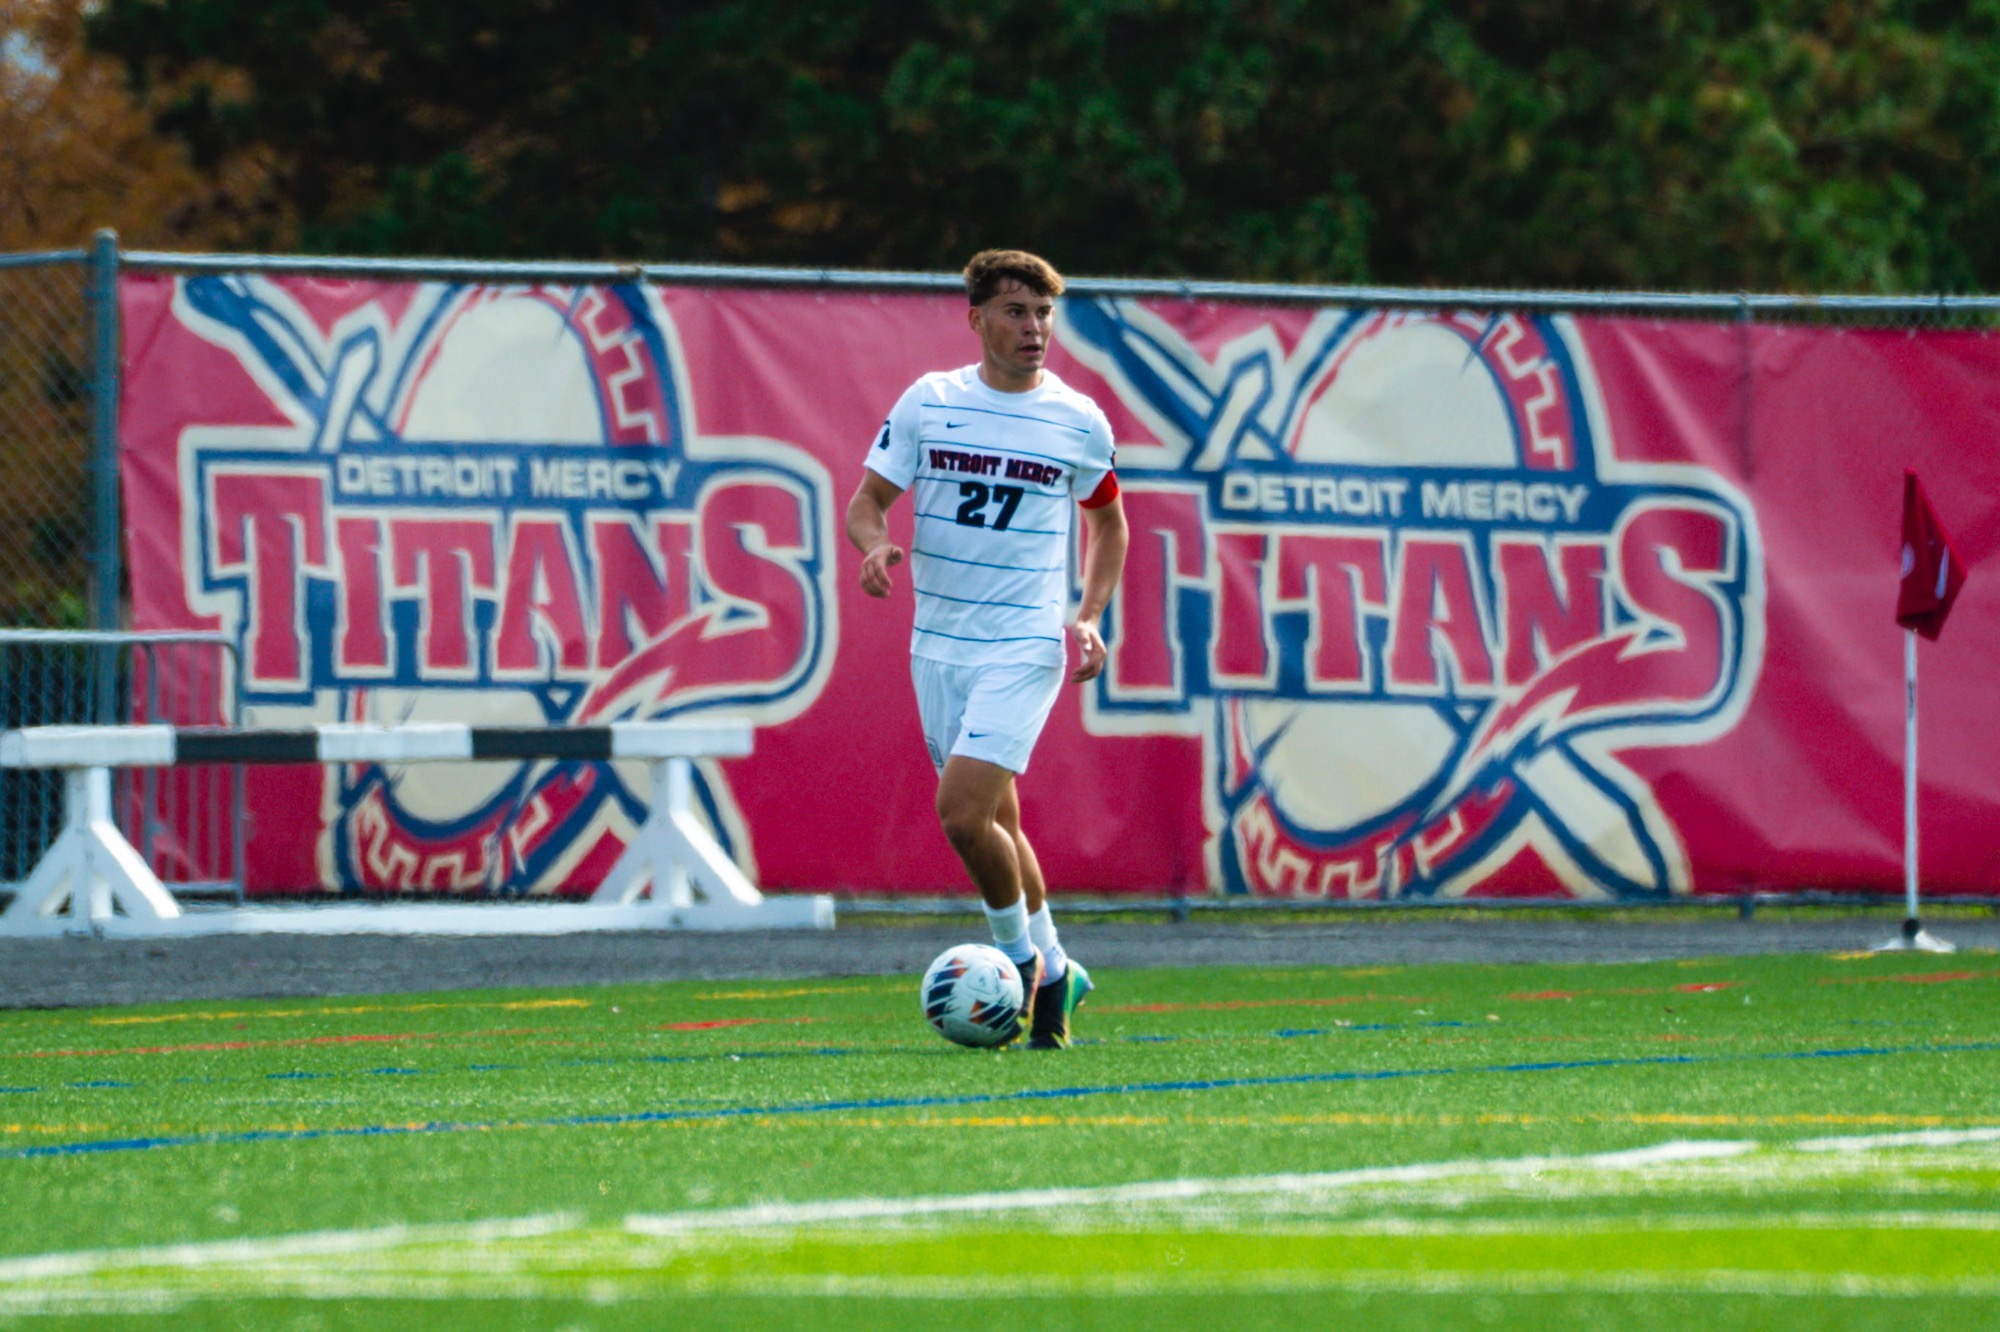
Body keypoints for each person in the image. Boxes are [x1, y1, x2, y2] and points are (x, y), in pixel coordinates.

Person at [846, 249, 1129, 1050]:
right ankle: (1060, 967)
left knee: (962, 814)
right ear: (976, 320)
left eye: (1043, 313)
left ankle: (1019, 974)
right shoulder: (931, 403)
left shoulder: (1078, 419)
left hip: (1025, 643)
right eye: (1016, 312)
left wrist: (1090, 614)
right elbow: (867, 502)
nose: (1034, 328)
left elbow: (1109, 522)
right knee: (998, 819)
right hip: (938, 646)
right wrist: (873, 546)